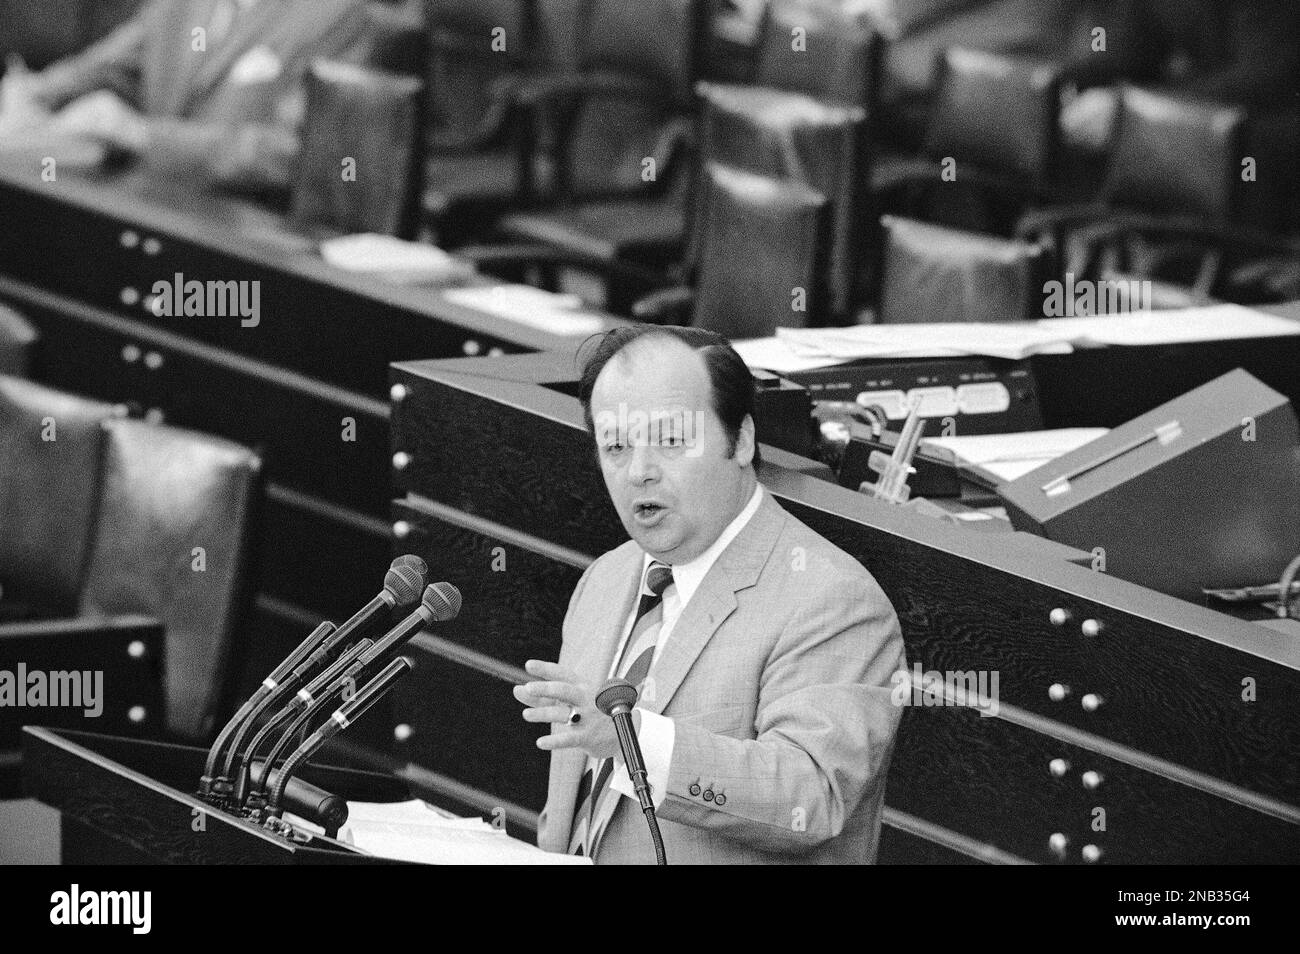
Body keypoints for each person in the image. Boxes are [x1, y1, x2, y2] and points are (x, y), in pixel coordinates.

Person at [514, 325, 906, 864]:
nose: (640, 472)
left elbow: (809, 797)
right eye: (616, 446)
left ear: (741, 440)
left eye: (671, 440)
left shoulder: (833, 600)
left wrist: (637, 744)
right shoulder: (605, 580)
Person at [0, 0, 369, 191]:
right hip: (143, 209)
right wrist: (29, 91)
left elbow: (294, 154)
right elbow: (110, 63)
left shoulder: (340, 15)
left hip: (238, 247)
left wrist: (144, 135)